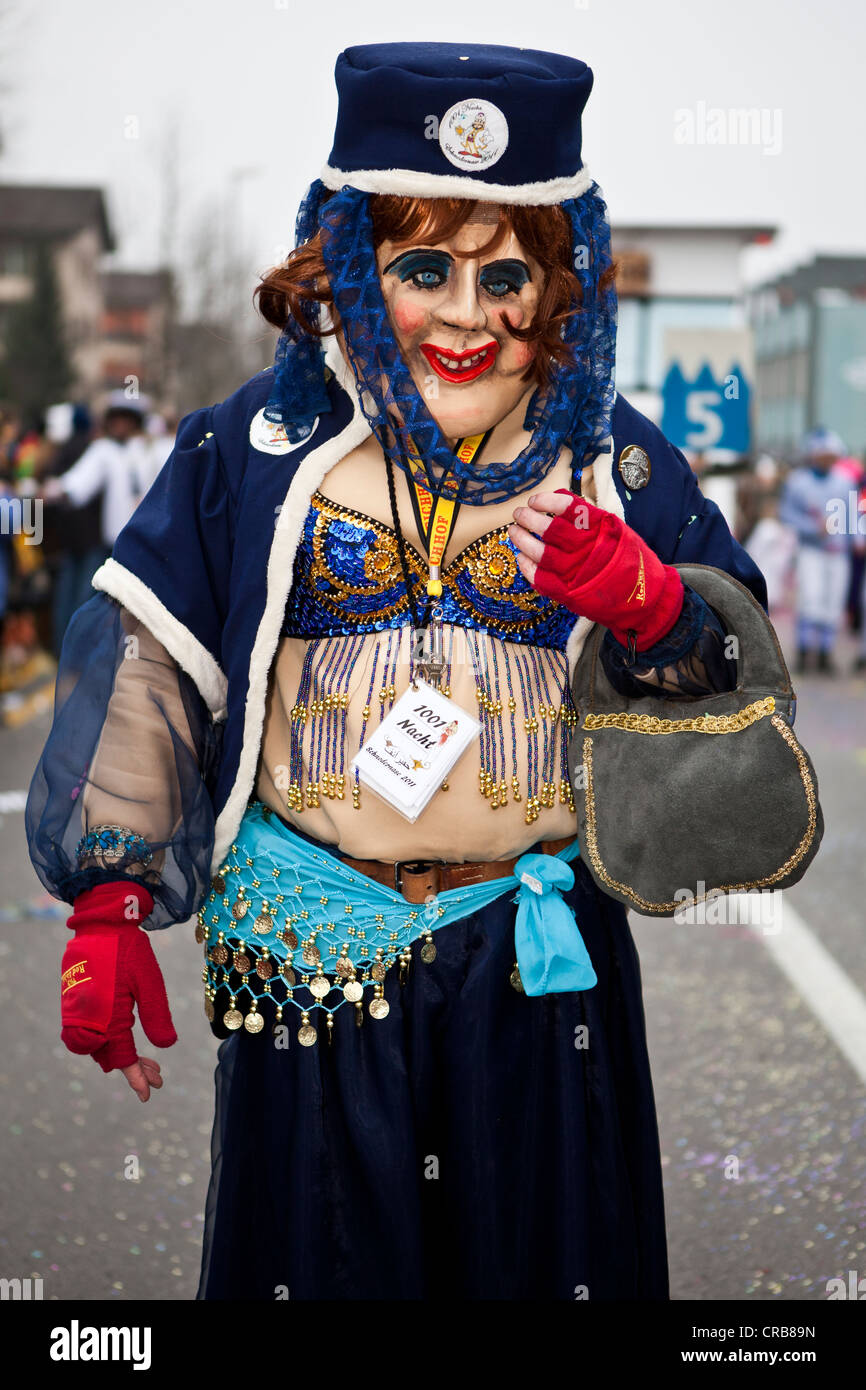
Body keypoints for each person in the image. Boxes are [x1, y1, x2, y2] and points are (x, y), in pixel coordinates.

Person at [28, 43, 768, 1302]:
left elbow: (736, 686)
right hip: (311, 960)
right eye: (424, 269)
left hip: (538, 963)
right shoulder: (249, 447)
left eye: (506, 274)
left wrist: (651, 606)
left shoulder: (615, 461)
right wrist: (107, 900)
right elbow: (152, 662)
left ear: (558, 284)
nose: (469, 315)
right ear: (352, 269)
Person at [779, 427, 851, 674]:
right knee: (810, 600)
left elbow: (853, 514)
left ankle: (825, 653)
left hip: (838, 551)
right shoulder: (798, 482)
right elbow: (786, 514)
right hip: (811, 550)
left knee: (833, 602)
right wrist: (812, 527)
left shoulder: (844, 481)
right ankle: (804, 650)